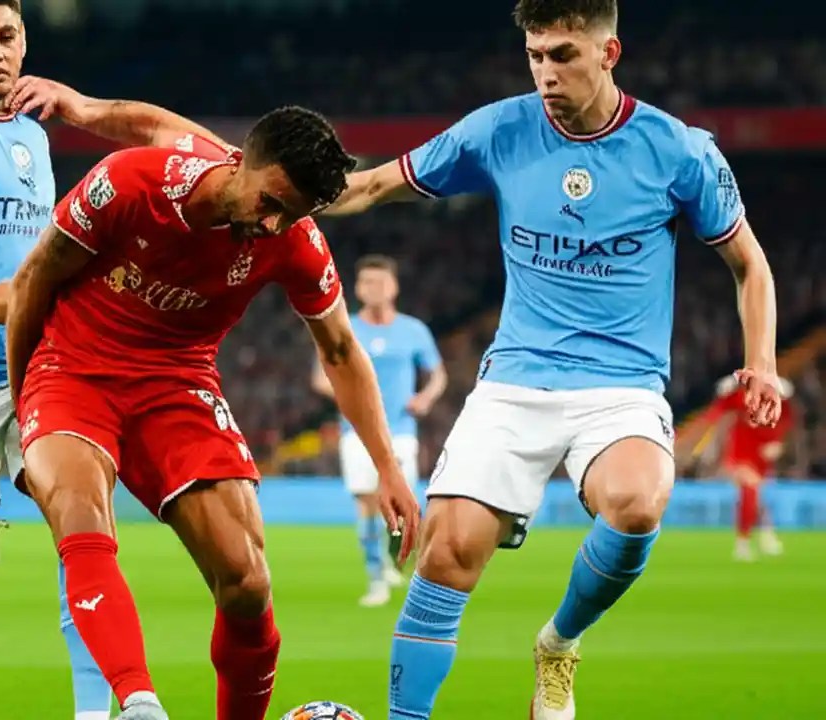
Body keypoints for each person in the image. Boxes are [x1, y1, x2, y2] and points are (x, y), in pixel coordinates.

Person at [320, 1, 783, 717]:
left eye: (562, 53)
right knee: (446, 554)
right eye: (535, 55)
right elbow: (375, 183)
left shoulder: (679, 150)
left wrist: (762, 360)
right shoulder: (499, 129)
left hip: (622, 386)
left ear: (609, 52)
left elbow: (749, 264)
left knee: (637, 502)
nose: (544, 71)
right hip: (514, 383)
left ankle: (558, 645)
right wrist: (274, 194)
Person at [0, 2, 232, 718]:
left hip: (43, 368)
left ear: (24, 40)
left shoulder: (34, 130)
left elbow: (203, 154)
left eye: (6, 37)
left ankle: (102, 707)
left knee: (78, 523)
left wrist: (82, 108)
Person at [6, 106, 423, 720]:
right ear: (242, 161)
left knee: (248, 582)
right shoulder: (129, 183)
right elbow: (35, 278)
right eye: (271, 200)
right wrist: (26, 402)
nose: (274, 221)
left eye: (294, 212)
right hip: (72, 370)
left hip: (177, 384)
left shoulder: (294, 240)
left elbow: (339, 348)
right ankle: (139, 702)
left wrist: (388, 466)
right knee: (81, 513)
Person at [312, 255, 446, 606]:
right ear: (357, 288)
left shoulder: (413, 330)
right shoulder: (344, 326)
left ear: (394, 286)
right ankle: (376, 579)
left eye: (381, 282)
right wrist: (354, 396)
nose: (375, 289)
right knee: (367, 502)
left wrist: (425, 398)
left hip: (400, 430)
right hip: (356, 430)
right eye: (367, 282)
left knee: (403, 503)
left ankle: (392, 562)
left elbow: (438, 374)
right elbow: (320, 377)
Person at [690, 374, 795, 561]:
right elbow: (716, 412)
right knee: (750, 493)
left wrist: (777, 443)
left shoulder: (778, 404)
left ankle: (765, 536)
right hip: (740, 454)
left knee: (757, 498)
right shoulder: (740, 398)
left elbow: (785, 421)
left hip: (760, 457)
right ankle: (744, 542)